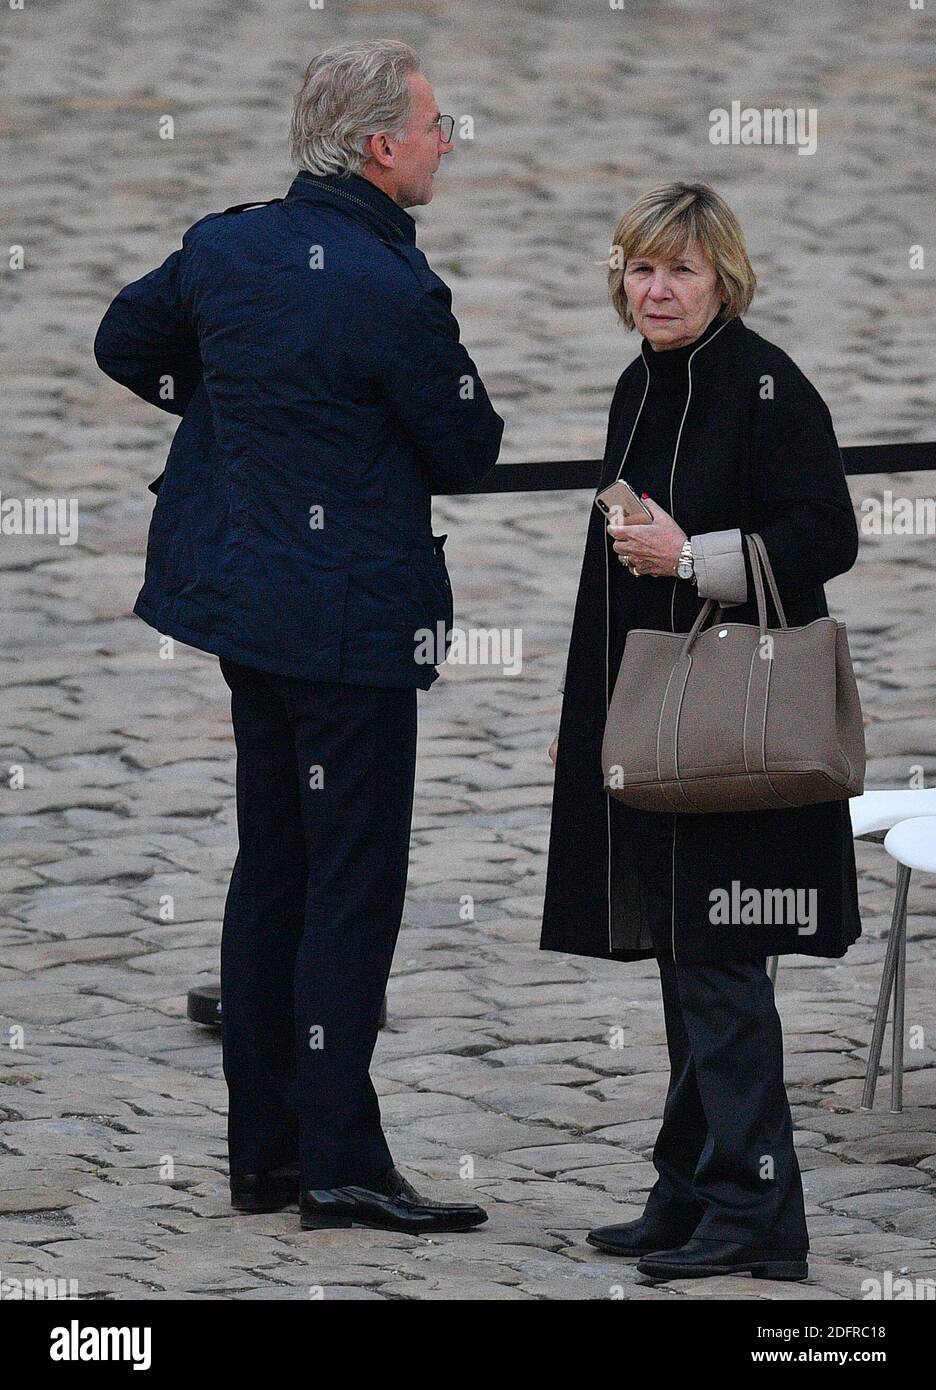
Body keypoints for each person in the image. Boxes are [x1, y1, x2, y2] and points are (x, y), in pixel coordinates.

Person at [94, 40, 504, 1235]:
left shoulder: (227, 247)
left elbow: (126, 342)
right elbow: (467, 444)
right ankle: (340, 1160)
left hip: (247, 618)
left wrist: (220, 404)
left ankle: (266, 1158)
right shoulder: (388, 286)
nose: (444, 141)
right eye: (433, 125)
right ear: (381, 148)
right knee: (350, 892)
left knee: (272, 874)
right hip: (349, 632)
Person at [541, 182, 861, 1282]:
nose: (658, 288)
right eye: (640, 267)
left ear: (724, 276)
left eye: (680, 268)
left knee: (720, 963)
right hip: (655, 714)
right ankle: (688, 1188)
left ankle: (758, 1213)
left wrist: (692, 558)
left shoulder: (765, 382)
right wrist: (584, 720)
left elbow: (827, 531)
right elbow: (607, 573)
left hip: (738, 725)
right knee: (678, 957)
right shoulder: (641, 382)